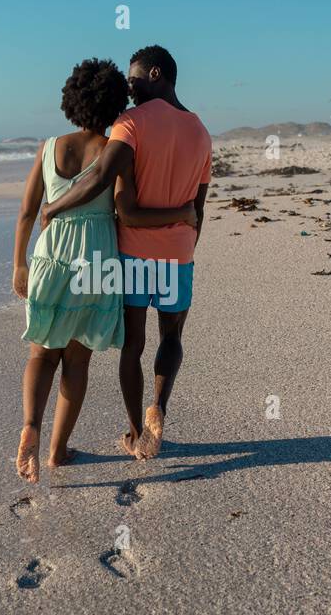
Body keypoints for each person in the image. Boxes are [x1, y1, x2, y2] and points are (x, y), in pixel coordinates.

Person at [12, 58, 196, 482]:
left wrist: (19, 263)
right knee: (77, 360)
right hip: (96, 259)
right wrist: (183, 215)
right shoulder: (115, 148)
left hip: (50, 254)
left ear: (70, 100)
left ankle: (31, 428)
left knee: (41, 351)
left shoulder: (48, 148)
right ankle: (58, 451)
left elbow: (26, 212)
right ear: (116, 103)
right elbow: (123, 208)